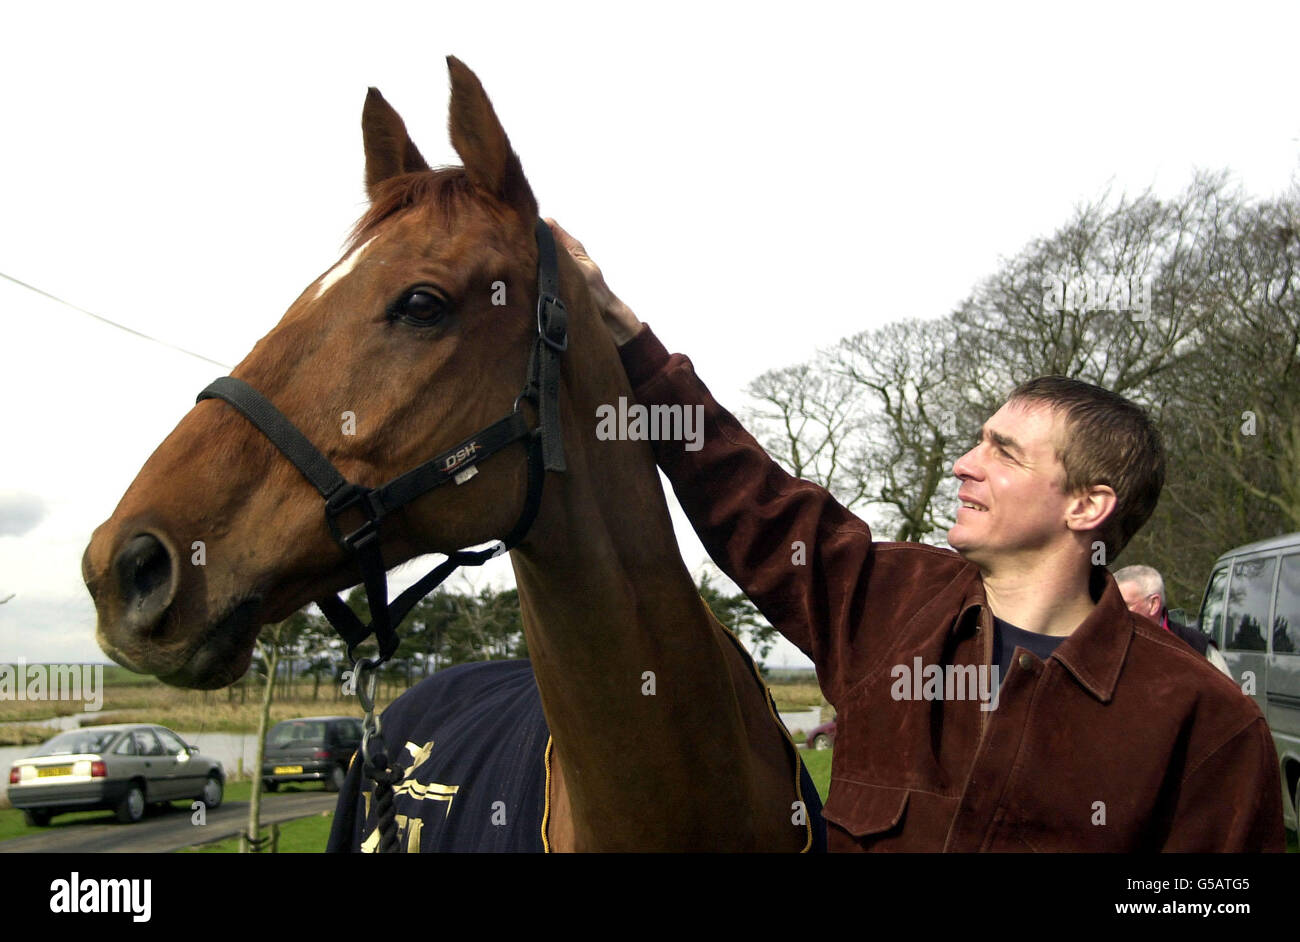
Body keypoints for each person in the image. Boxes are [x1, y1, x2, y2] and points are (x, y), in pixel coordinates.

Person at [550, 220, 1284, 852]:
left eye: (1004, 452)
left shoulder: (1204, 722)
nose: (964, 465)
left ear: (1087, 505)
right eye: (976, 442)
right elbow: (755, 503)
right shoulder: (892, 610)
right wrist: (620, 325)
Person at [1114, 564, 1234, 679]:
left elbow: (1230, 698)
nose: (1114, 612)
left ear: (1153, 604)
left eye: (1124, 605)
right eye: (1110, 605)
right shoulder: (1101, 646)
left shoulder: (1196, 648)